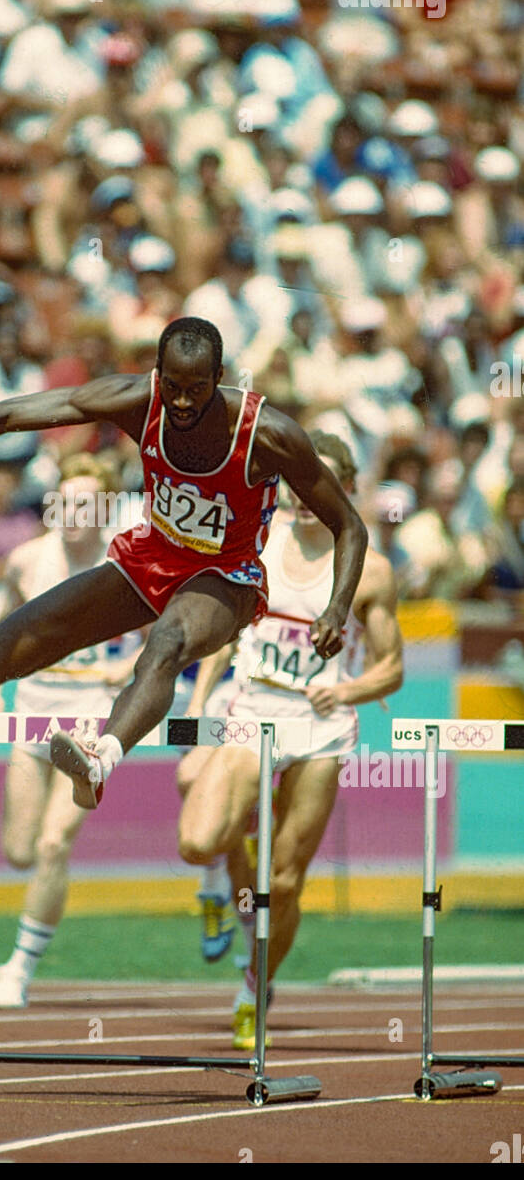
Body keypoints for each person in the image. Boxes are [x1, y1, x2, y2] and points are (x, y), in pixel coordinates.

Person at [0, 317, 368, 809]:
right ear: (158, 374)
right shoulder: (137, 399)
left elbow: (350, 525)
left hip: (227, 577)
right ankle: (68, 706)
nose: (181, 403)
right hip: (151, 559)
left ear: (219, 377)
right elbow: (6, 415)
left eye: (197, 390)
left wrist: (335, 609)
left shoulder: (268, 434)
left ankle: (99, 761)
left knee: (167, 642)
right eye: (173, 387)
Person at [176, 432, 403, 1048]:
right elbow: (221, 633)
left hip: (321, 726)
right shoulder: (260, 545)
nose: (307, 497)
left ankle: (254, 988)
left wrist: (349, 692)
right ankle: (222, 880)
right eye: (299, 482)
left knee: (286, 880)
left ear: (345, 488)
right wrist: (199, 708)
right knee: (199, 839)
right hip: (253, 708)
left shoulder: (370, 569)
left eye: (321, 484)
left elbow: (393, 668)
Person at [0, 454, 142, 1008]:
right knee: (18, 851)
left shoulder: (125, 564)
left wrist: (133, 663)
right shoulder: (27, 560)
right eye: (66, 501)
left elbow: (165, 624)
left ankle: (17, 970)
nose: (74, 513)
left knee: (53, 845)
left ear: (106, 510)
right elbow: (0, 625)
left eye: (86, 503)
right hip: (32, 710)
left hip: (91, 713)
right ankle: (20, 957)